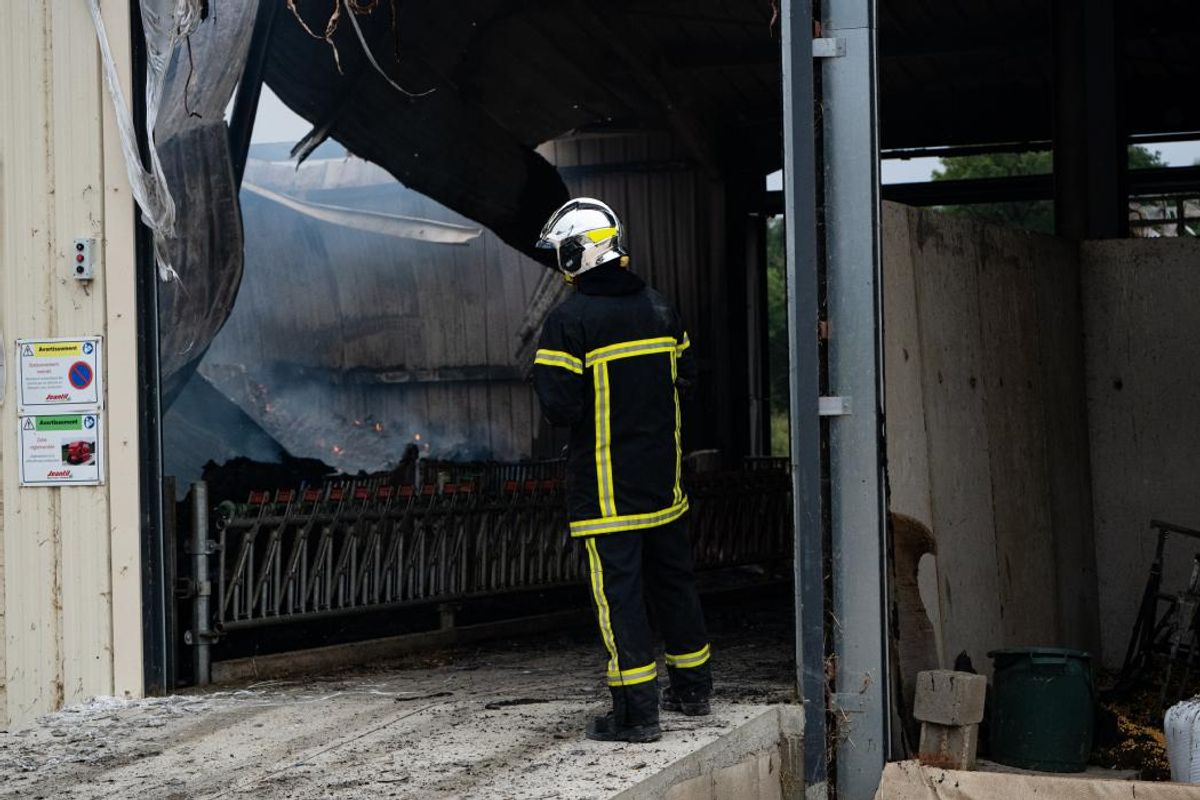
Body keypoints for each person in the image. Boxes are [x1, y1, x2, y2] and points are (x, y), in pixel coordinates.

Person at [531, 198, 712, 743]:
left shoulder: (569, 322)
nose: (560, 261)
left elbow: (559, 408)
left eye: (564, 251)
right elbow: (686, 378)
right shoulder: (659, 308)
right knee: (675, 584)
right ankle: (693, 689)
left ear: (584, 252)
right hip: (663, 484)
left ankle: (637, 715)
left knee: (620, 601)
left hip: (608, 494)